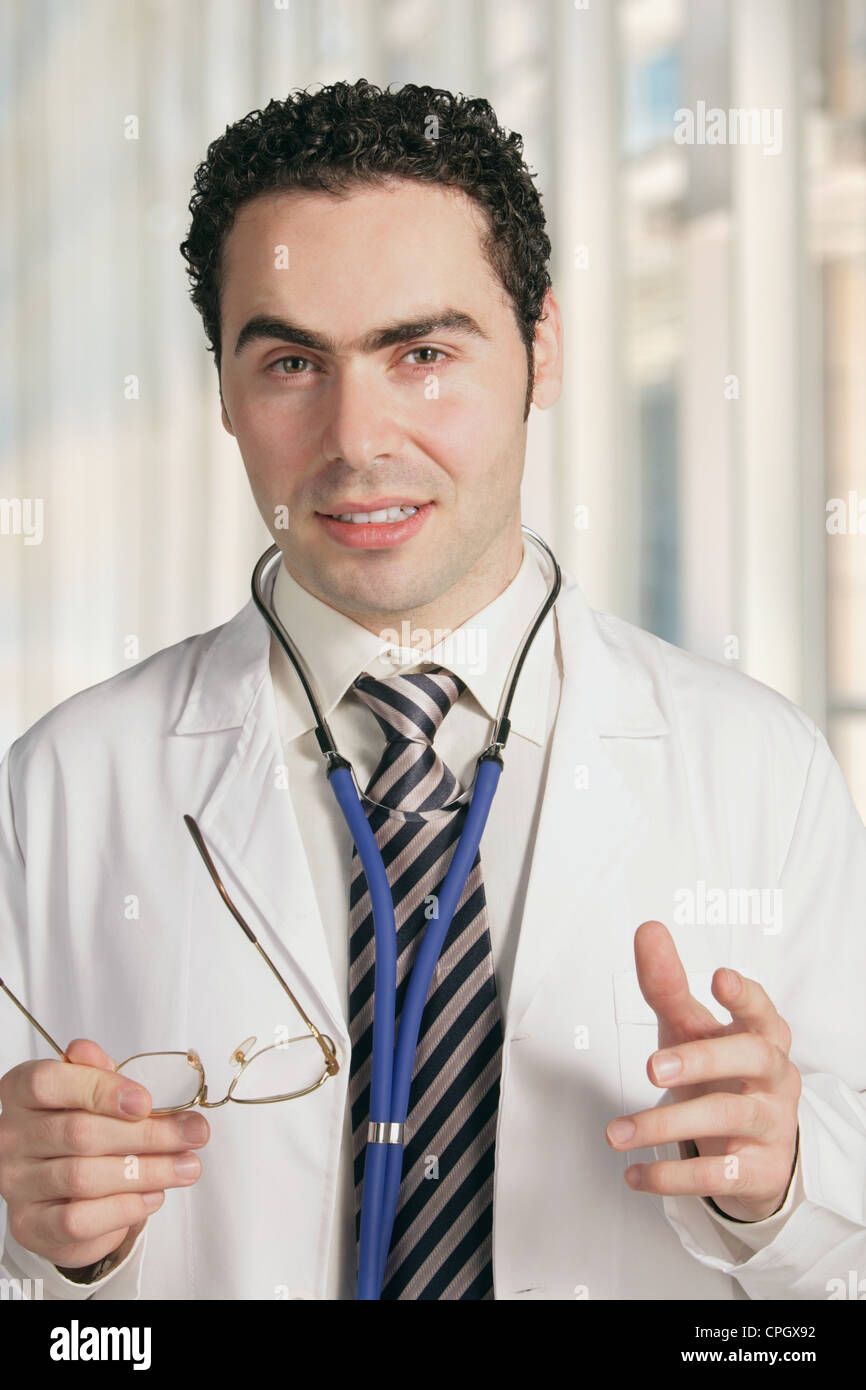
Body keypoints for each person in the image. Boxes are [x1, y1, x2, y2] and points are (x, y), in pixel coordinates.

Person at [0, 79, 864, 1302]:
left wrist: (775, 1180)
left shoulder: (757, 771)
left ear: (541, 349)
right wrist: (51, 1244)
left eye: (421, 353)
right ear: (225, 392)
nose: (358, 438)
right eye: (294, 360)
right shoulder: (60, 789)